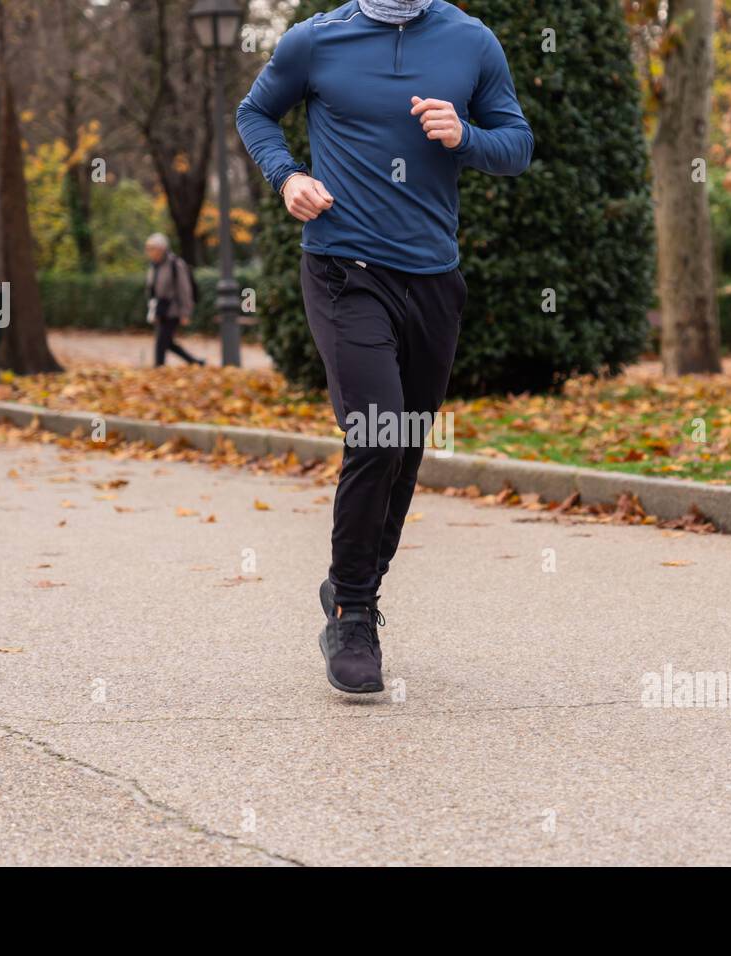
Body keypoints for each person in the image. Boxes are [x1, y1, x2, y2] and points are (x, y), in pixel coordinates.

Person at [237, 0, 533, 693]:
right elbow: (255, 113)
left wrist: (464, 136)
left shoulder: (471, 41)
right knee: (376, 431)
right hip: (344, 268)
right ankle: (354, 614)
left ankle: (354, 581)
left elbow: (515, 145)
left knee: (404, 444)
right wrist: (289, 176)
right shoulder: (316, 39)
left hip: (433, 278)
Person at [144, 234, 205, 367]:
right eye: (147, 248)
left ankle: (158, 367)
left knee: (162, 341)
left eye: (151, 248)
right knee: (168, 342)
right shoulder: (154, 266)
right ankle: (195, 362)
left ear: (161, 249)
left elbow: (185, 290)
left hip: (174, 309)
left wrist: (185, 313)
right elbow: (152, 290)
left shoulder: (175, 264)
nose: (148, 251)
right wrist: (153, 310)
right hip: (160, 309)